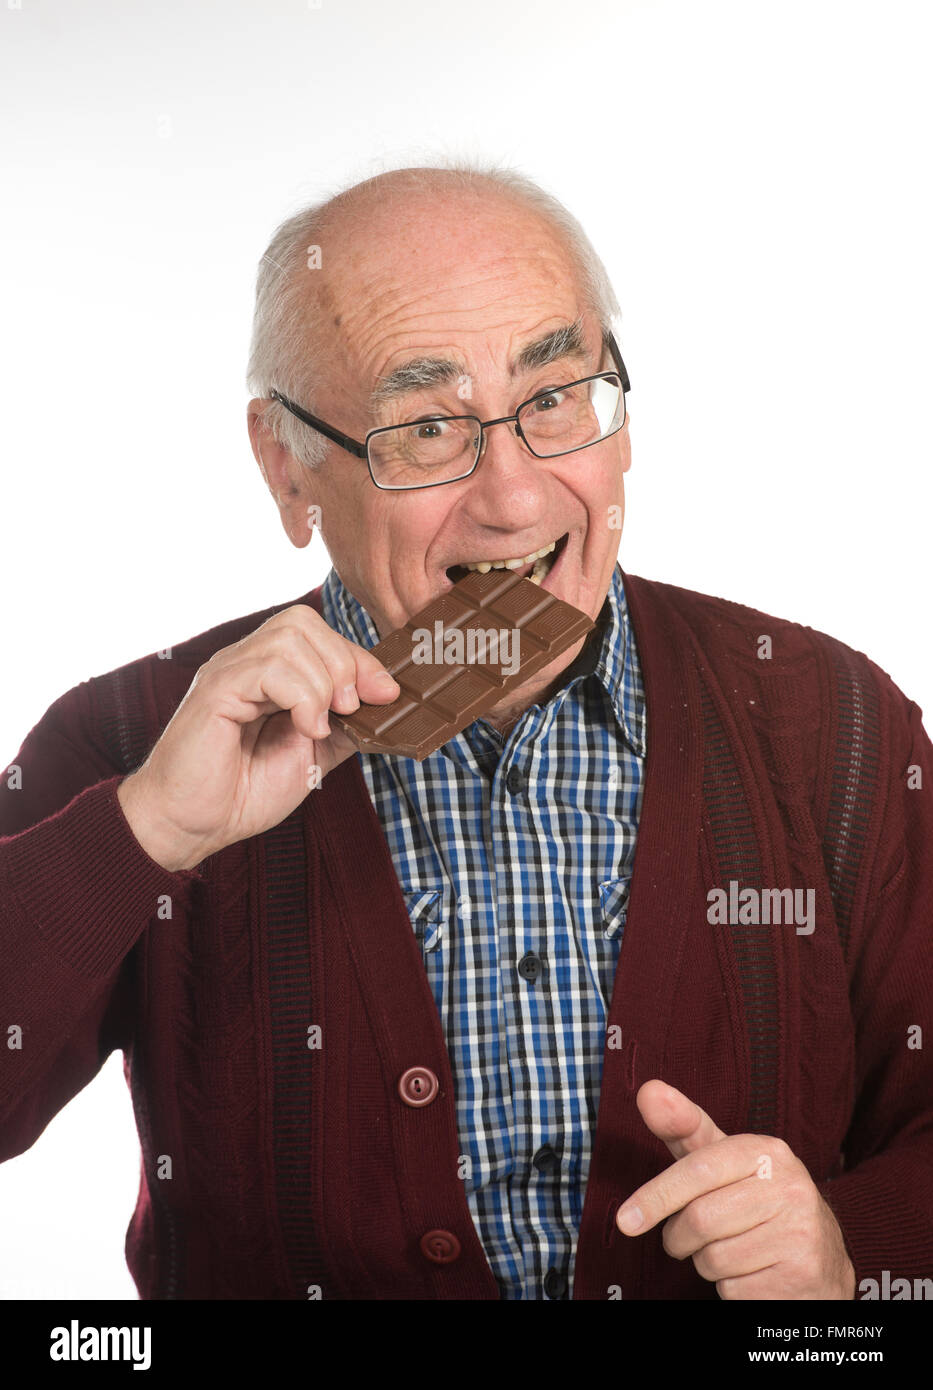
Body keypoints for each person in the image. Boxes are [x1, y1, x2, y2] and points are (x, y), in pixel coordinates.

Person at [1, 163, 931, 1301]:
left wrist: (852, 1250)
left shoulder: (833, 723)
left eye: (554, 398)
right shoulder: (129, 737)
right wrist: (144, 830)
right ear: (287, 465)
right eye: (427, 426)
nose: (517, 498)